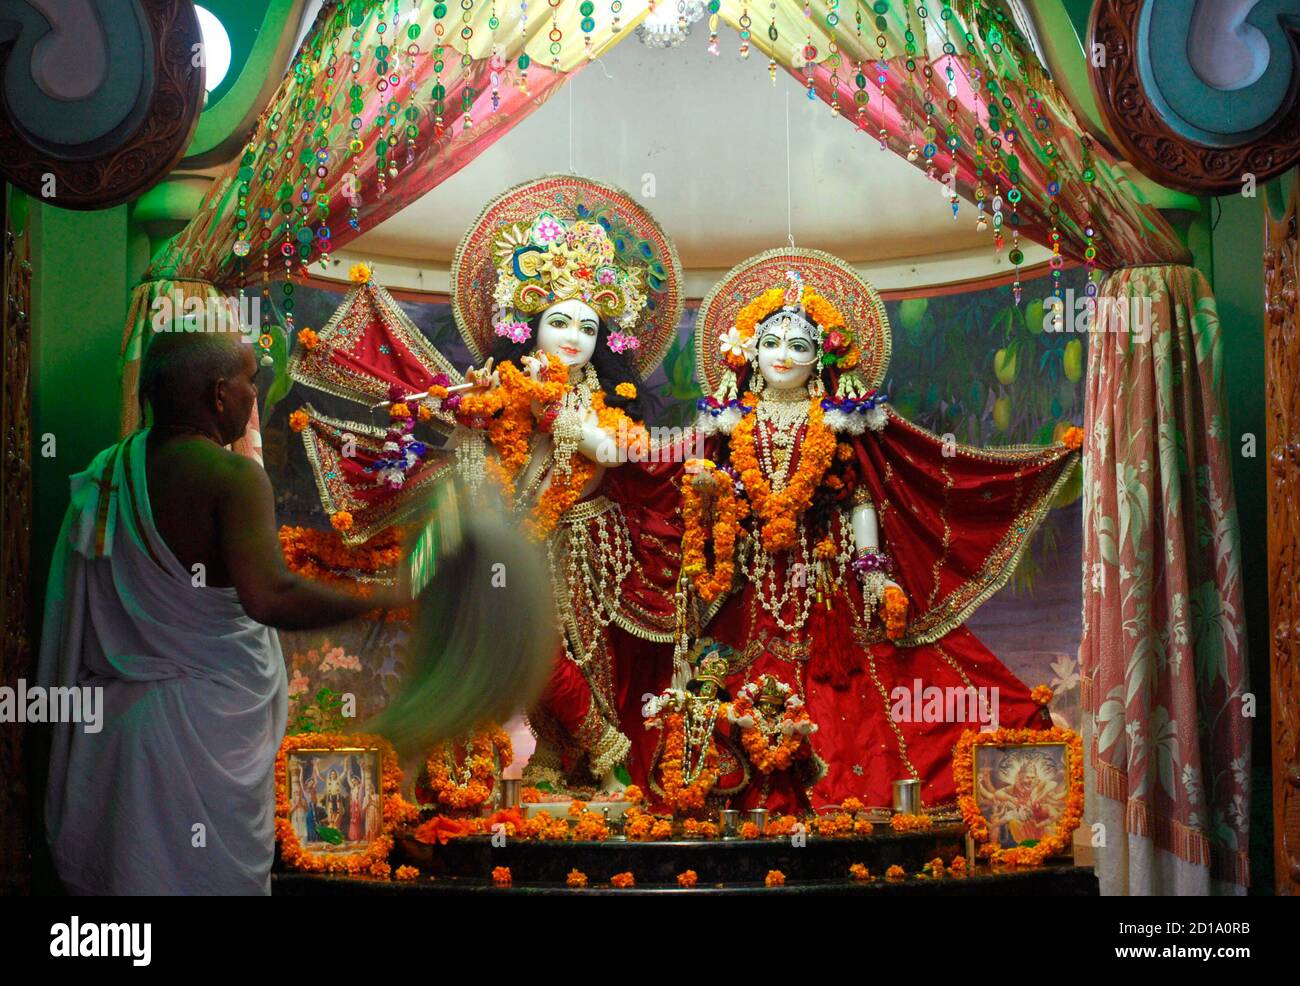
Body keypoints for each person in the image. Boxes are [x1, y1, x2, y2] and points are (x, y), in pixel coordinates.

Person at [38, 330, 401, 894]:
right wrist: (376, 600)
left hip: (121, 734)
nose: (255, 393)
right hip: (203, 728)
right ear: (217, 394)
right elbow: (269, 596)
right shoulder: (232, 477)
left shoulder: (109, 471)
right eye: (250, 380)